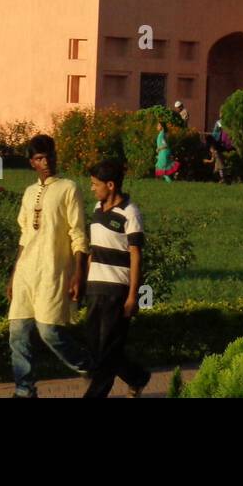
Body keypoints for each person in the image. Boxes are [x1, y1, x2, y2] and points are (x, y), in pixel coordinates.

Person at [6, 134, 93, 398]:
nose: (46, 162)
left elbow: (78, 234)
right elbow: (24, 235)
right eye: (40, 158)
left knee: (49, 331)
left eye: (50, 156)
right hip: (26, 272)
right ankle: (24, 390)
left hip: (54, 271)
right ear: (32, 162)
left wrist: (79, 273)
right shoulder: (30, 192)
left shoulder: (69, 188)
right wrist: (13, 275)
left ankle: (89, 367)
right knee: (17, 333)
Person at [83, 159, 152, 399]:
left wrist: (133, 295)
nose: (92, 188)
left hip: (117, 290)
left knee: (108, 349)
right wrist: (83, 280)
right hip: (95, 287)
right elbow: (94, 250)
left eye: (95, 184)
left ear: (110, 185)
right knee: (95, 345)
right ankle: (137, 376)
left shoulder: (131, 214)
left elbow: (136, 256)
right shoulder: (96, 209)